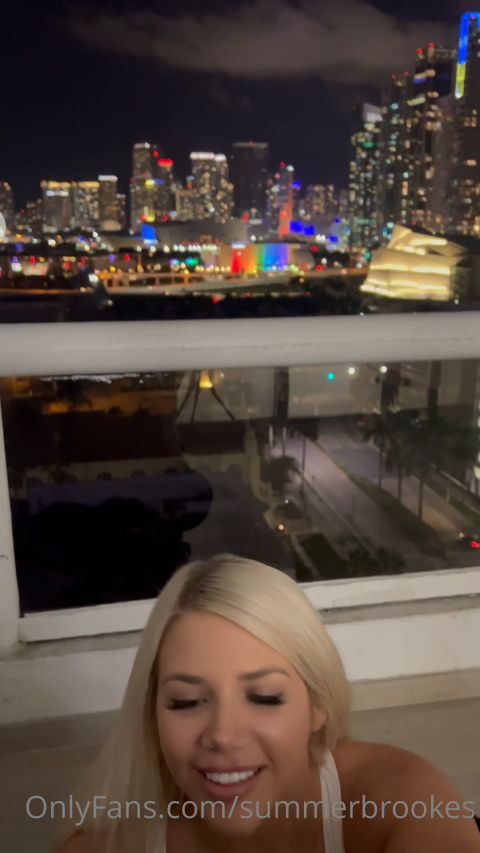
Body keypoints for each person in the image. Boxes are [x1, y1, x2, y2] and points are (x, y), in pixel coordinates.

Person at [57, 554, 480, 852]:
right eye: (187, 702)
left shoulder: (404, 803)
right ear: (151, 715)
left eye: (264, 697)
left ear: (318, 704)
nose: (224, 735)